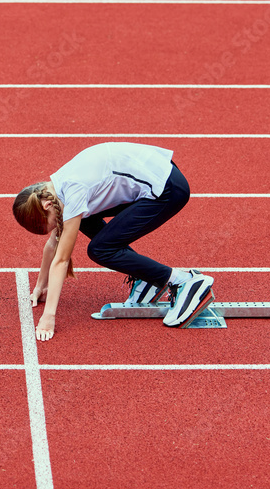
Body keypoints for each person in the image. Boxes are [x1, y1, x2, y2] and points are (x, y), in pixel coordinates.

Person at [12, 142, 214, 341]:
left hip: (167, 190)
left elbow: (61, 260)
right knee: (84, 220)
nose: (55, 228)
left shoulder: (74, 191)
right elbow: (54, 243)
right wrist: (40, 286)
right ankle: (147, 278)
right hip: (156, 176)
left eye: (49, 224)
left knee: (100, 249)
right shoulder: (54, 190)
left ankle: (183, 281)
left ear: (46, 205)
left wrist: (48, 317)